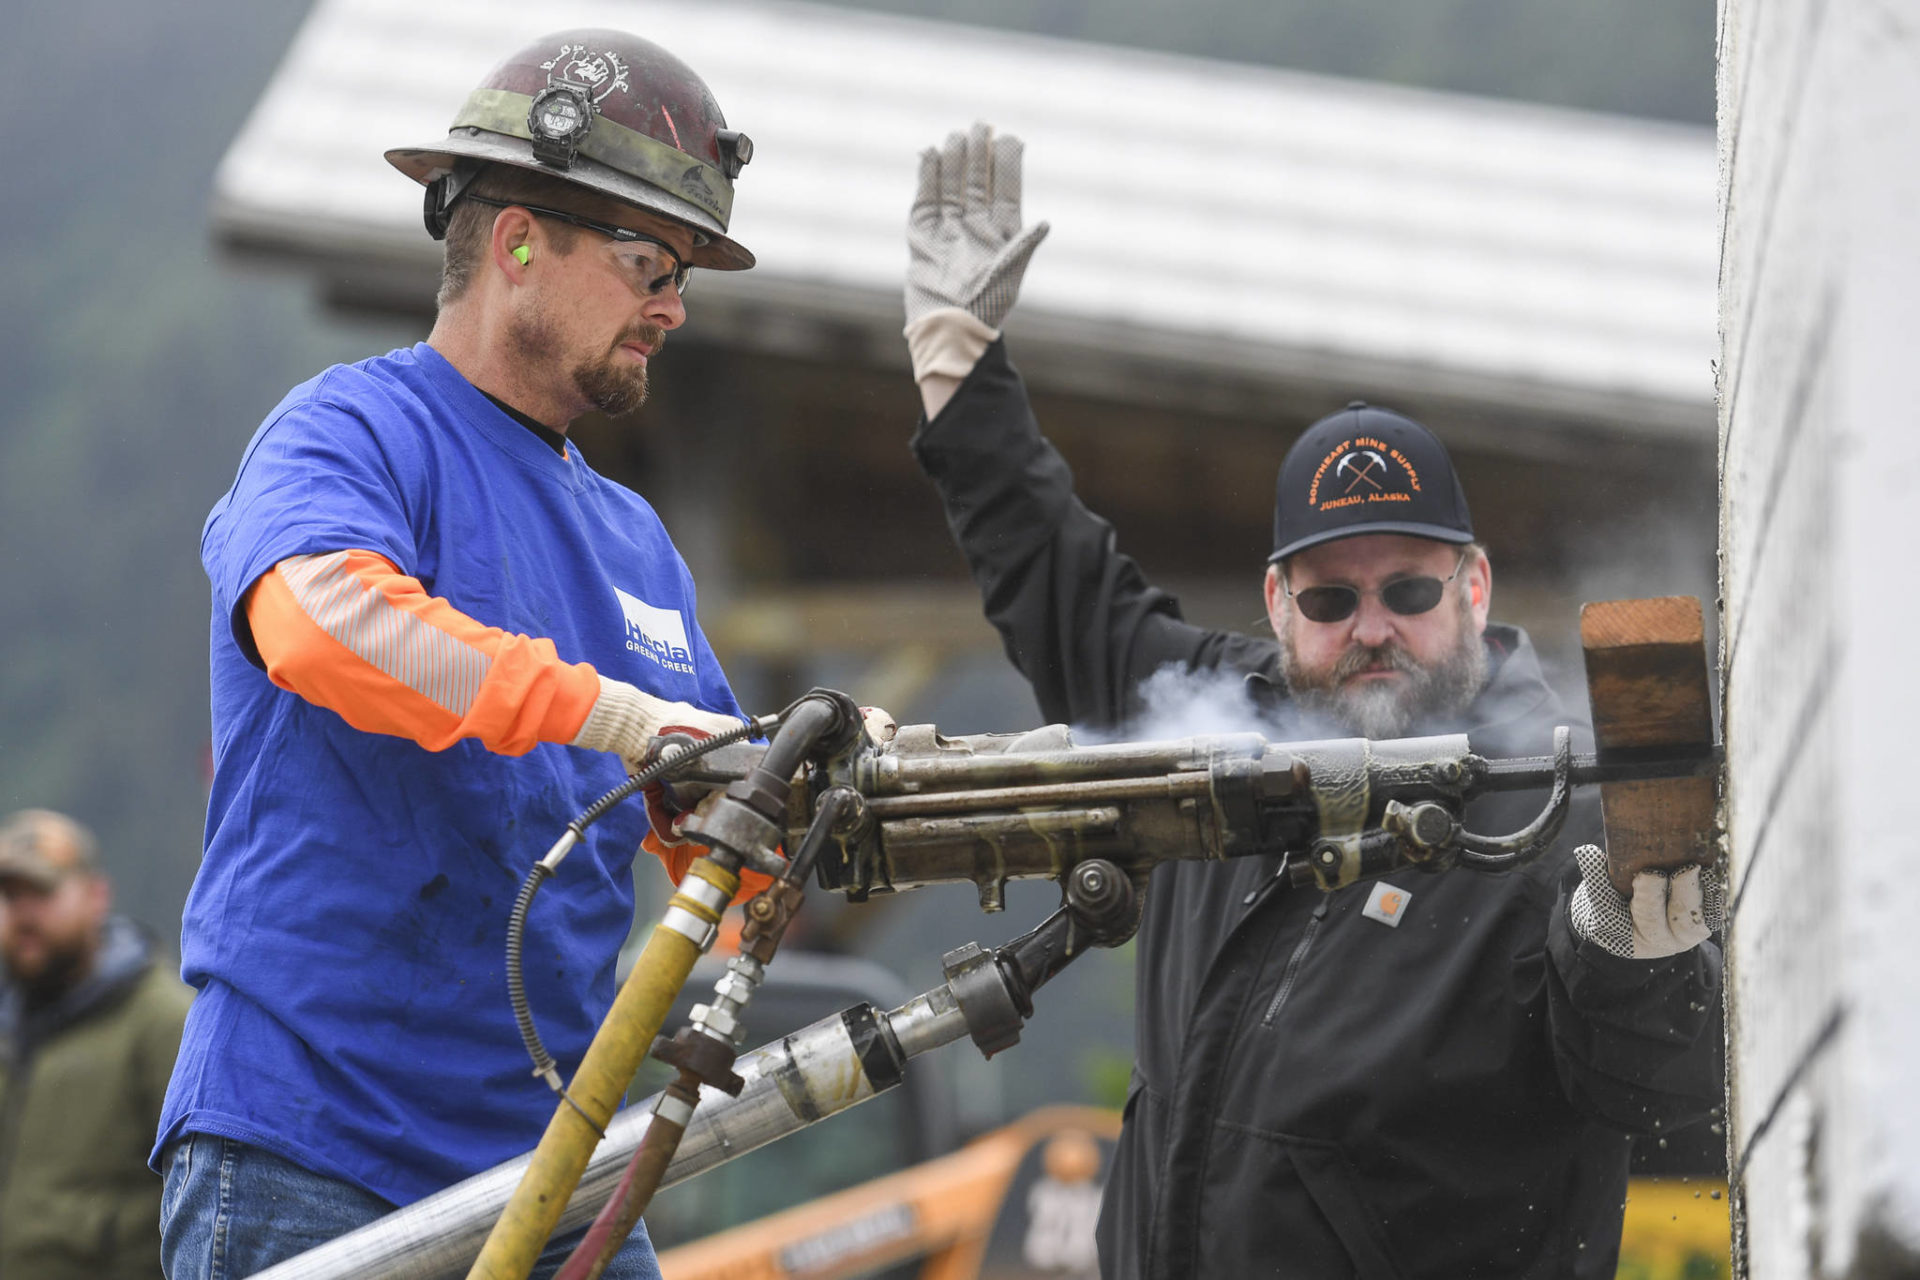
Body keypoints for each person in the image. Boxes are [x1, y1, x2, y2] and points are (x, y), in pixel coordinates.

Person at [899, 124, 1725, 1279]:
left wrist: (1644, 949)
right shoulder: (1210, 723)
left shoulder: (1559, 800)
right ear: (1279, 602)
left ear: (1474, 586)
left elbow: (1662, 1090)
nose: (1371, 623)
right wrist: (956, 358)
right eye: (1333, 594)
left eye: (1410, 586)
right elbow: (1058, 581)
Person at [155, 31, 767, 1280]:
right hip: (312, 1153)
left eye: (684, 271)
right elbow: (324, 622)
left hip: (553, 1168)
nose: (674, 304)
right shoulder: (353, 430)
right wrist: (608, 712)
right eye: (649, 258)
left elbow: (725, 798)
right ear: (518, 241)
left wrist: (855, 797)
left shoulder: (635, 539)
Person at [0, 809, 193, 1280]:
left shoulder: (164, 1022)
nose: (23, 914)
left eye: (41, 893)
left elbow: (202, 1198)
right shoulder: (10, 1024)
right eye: (9, 895)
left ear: (96, 896)